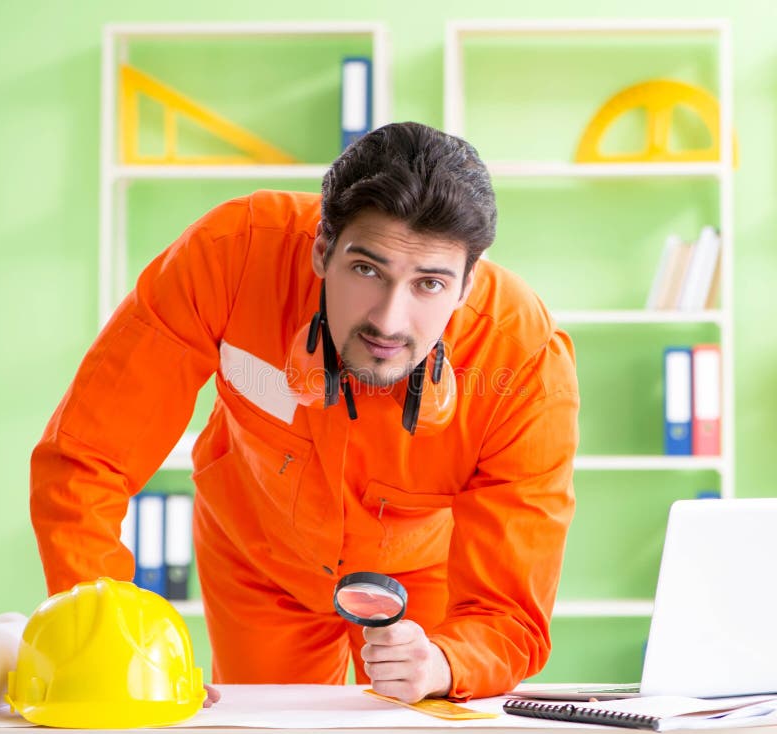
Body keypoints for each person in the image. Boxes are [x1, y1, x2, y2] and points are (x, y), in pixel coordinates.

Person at [30, 121, 579, 704]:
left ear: (468, 283)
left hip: (423, 577)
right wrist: (105, 633)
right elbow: (86, 458)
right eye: (367, 269)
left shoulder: (525, 362)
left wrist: (447, 661)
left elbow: (508, 614)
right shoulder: (229, 256)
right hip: (258, 559)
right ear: (323, 248)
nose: (390, 322)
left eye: (429, 284)